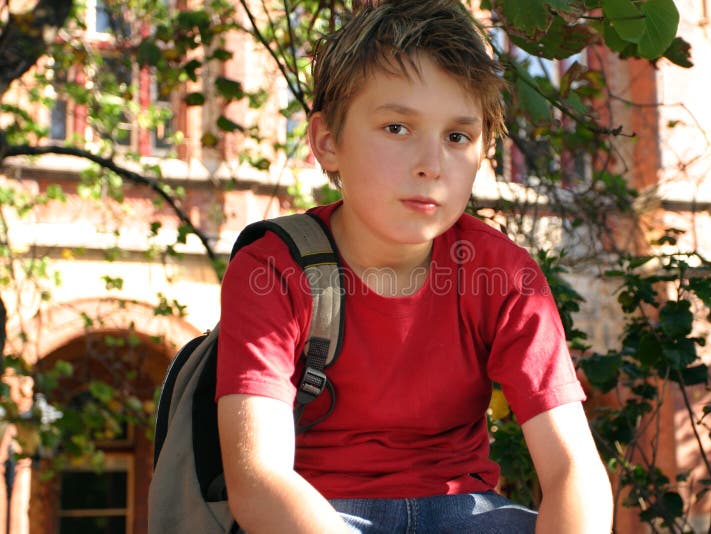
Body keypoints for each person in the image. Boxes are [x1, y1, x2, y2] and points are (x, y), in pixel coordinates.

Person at [215, 1, 613, 532]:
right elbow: (258, 479)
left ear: (483, 153)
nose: (431, 164)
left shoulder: (503, 276)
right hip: (315, 512)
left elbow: (574, 470)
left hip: (467, 514)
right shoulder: (273, 268)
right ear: (328, 142)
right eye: (397, 127)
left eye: (457, 137)